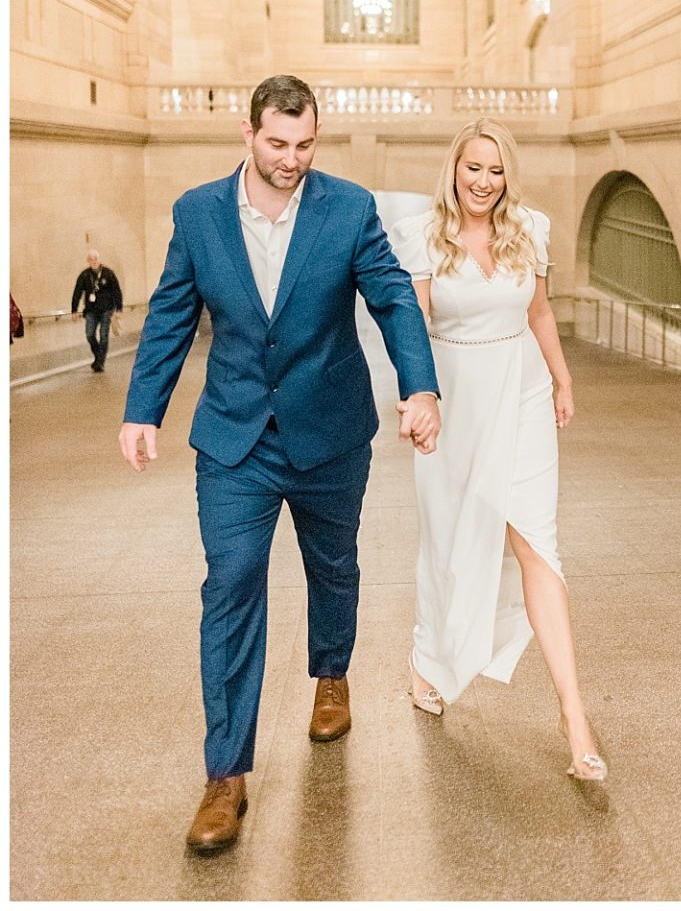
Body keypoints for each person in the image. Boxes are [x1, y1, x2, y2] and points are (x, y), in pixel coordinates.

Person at [119, 74, 441, 854]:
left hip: (329, 431)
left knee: (334, 565)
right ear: (247, 131)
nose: (292, 159)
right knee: (230, 583)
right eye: (277, 143)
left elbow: (393, 296)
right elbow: (170, 311)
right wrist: (141, 408)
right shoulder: (198, 214)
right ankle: (224, 777)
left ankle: (332, 675)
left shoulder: (349, 208)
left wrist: (419, 385)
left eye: (304, 145)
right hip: (234, 439)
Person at [388, 118, 606, 782]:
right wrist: (416, 395)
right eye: (473, 167)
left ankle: (575, 719)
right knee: (452, 545)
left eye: (496, 170)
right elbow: (412, 320)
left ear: (509, 176)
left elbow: (538, 312)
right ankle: (430, 662)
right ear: (454, 168)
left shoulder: (529, 228)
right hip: (453, 402)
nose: (483, 182)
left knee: (537, 544)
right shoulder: (422, 234)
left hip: (522, 393)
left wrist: (563, 379)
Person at [71, 248, 123, 371]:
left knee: (104, 336)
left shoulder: (108, 273)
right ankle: (99, 357)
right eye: (91, 259)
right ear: (88, 261)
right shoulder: (84, 275)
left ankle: (100, 363)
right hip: (90, 311)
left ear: (99, 259)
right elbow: (77, 293)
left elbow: (116, 291)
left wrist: (119, 309)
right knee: (90, 335)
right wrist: (74, 310)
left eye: (96, 259)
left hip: (106, 310)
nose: (93, 261)